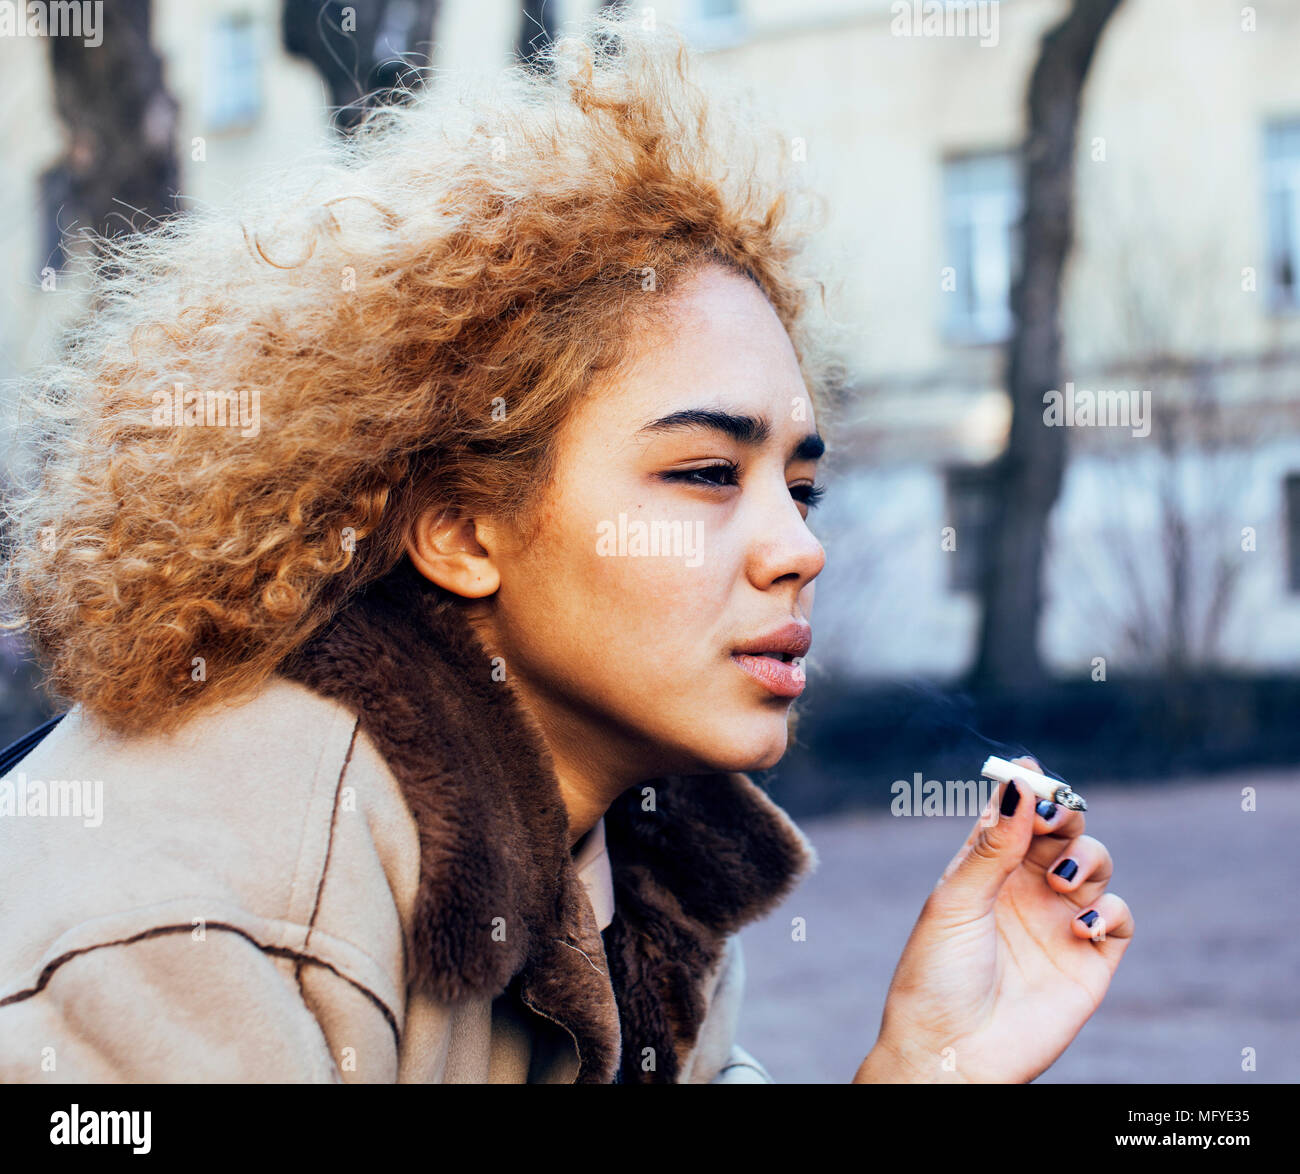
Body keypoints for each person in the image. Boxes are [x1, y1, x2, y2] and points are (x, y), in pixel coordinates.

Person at [0, 11, 1132, 1084]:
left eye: (802, 487)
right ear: (458, 528)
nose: (799, 549)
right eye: (702, 473)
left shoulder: (640, 874)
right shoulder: (203, 900)